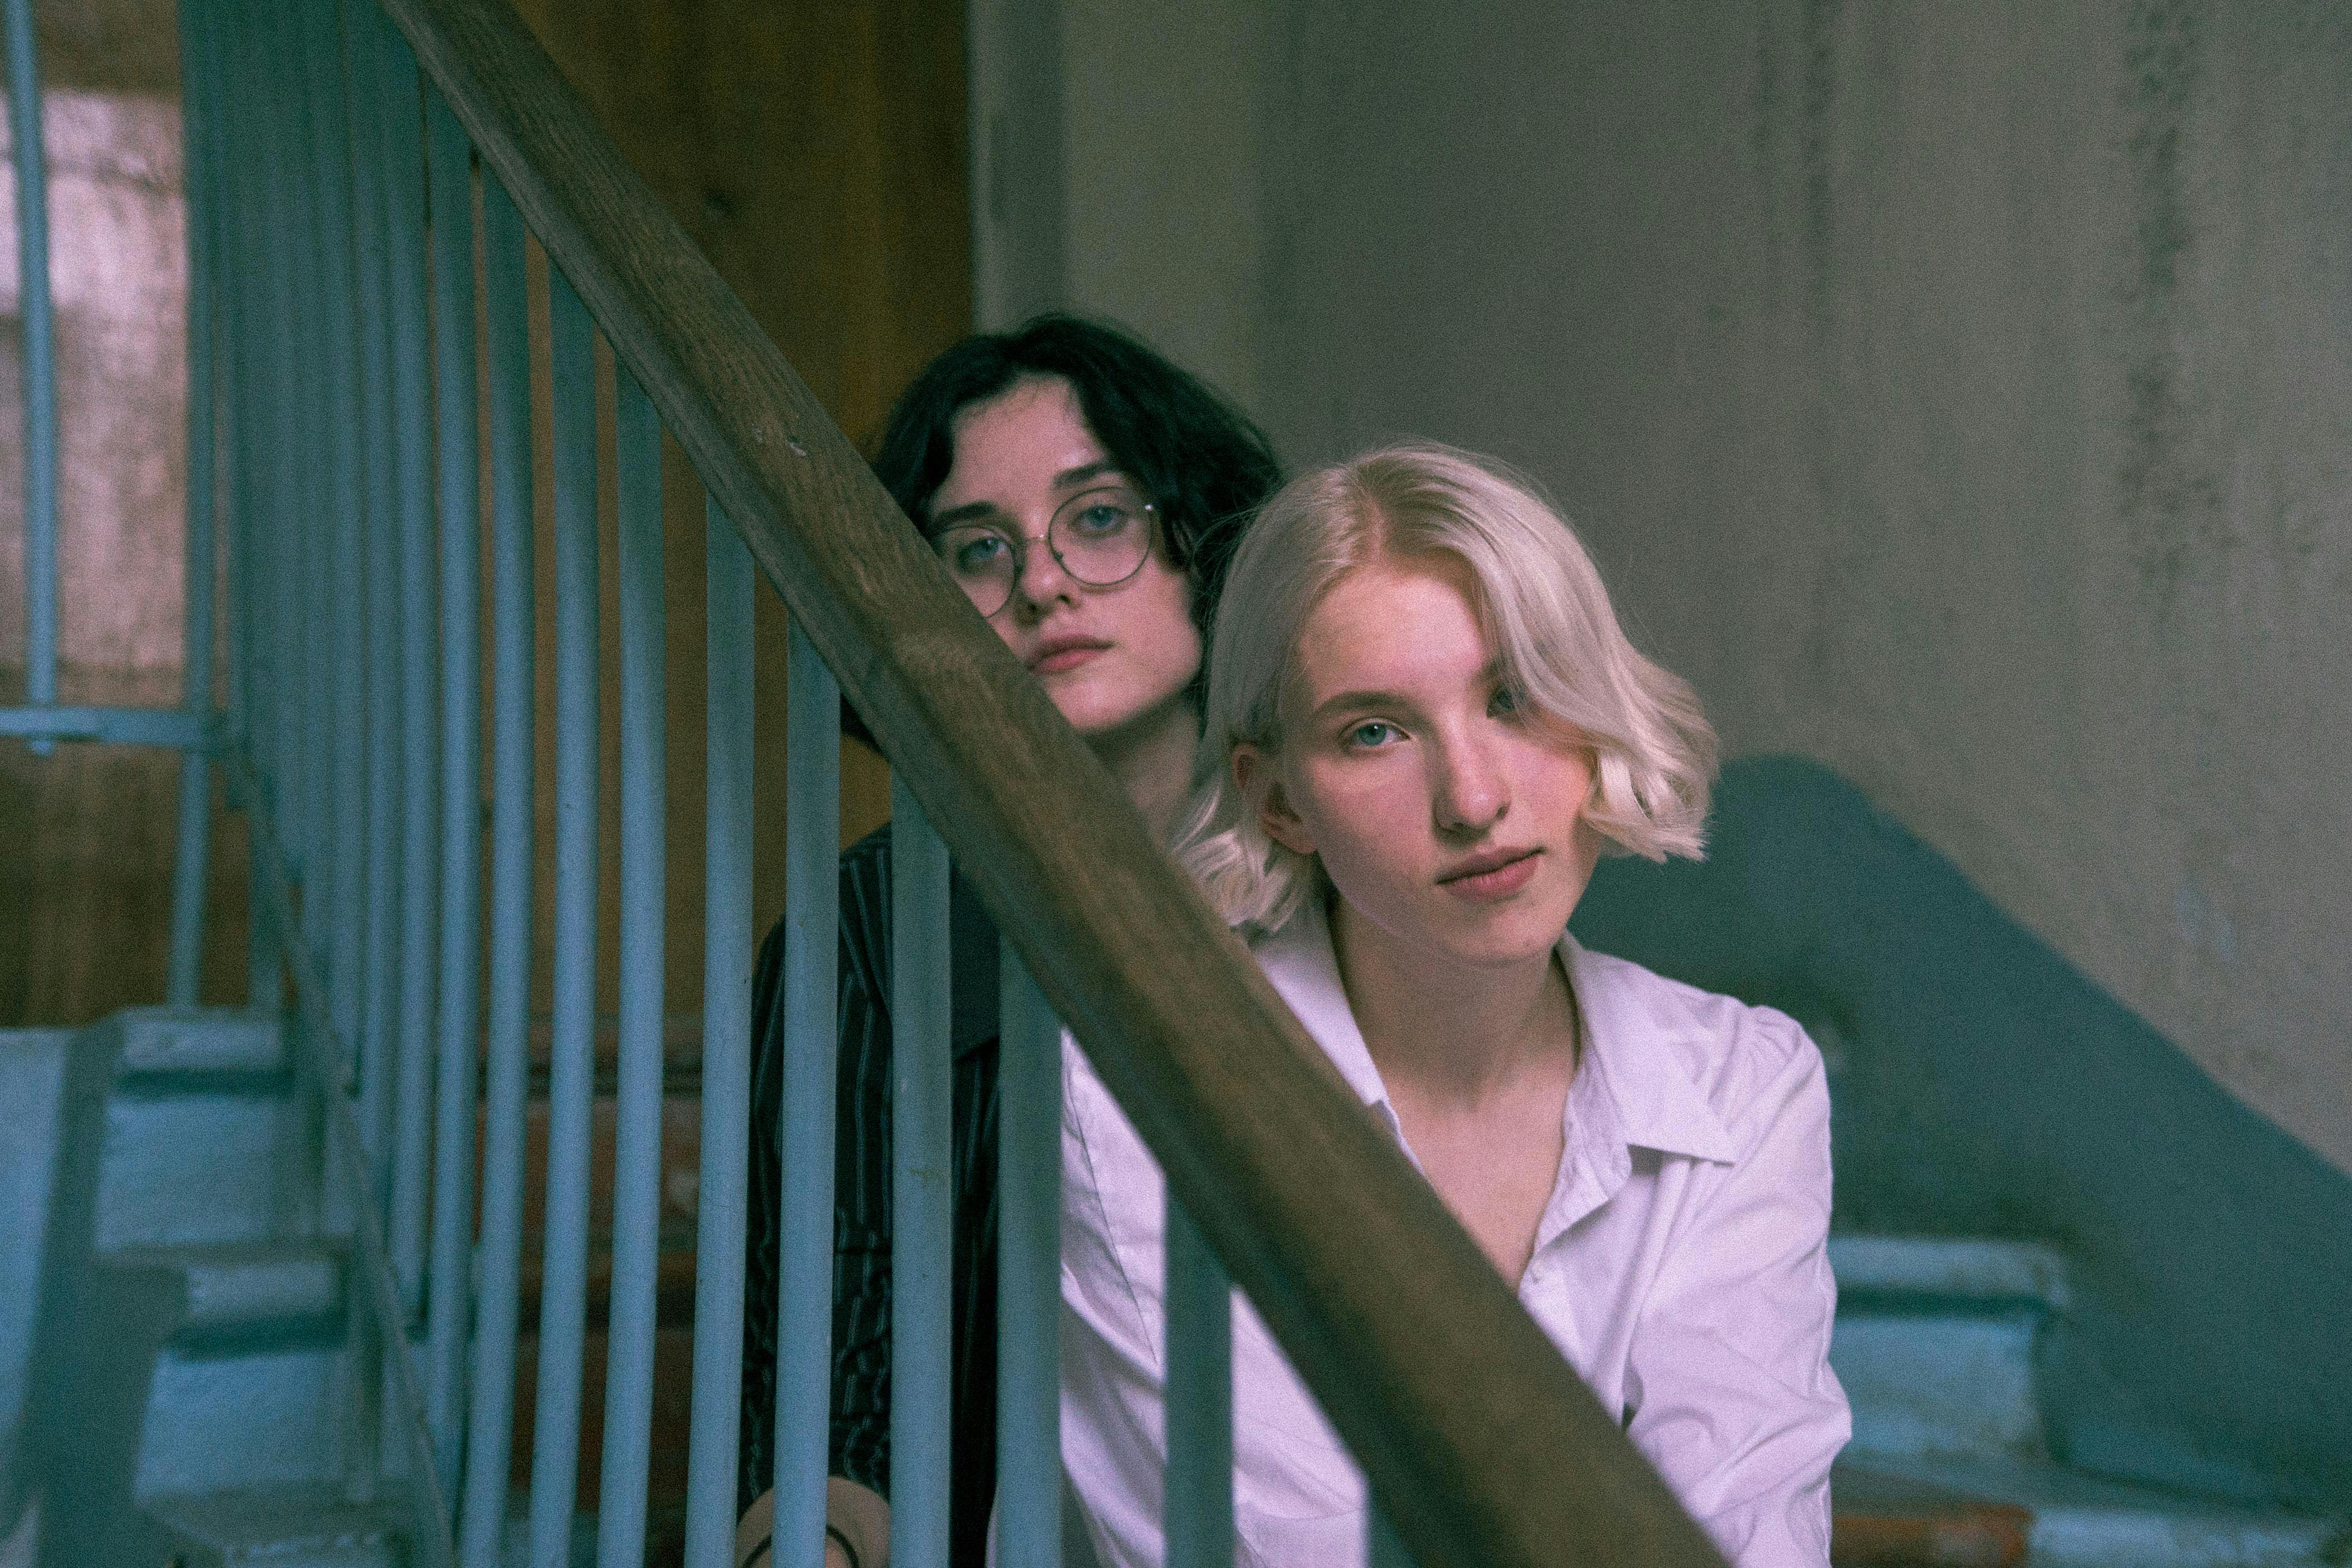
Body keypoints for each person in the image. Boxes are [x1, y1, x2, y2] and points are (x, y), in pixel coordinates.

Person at [1058, 445, 1850, 1568]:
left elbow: (1745, 1534)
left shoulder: (1743, 1085)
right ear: (1278, 801)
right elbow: (1280, 1554)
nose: (1475, 800)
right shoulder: (1129, 1095)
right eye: (1373, 731)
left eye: (1513, 698)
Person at [736, 315, 1282, 1568]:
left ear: (1199, 541)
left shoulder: (1343, 863)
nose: (1040, 585)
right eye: (978, 550)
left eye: (1098, 518)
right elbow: (838, 1374)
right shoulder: (869, 935)